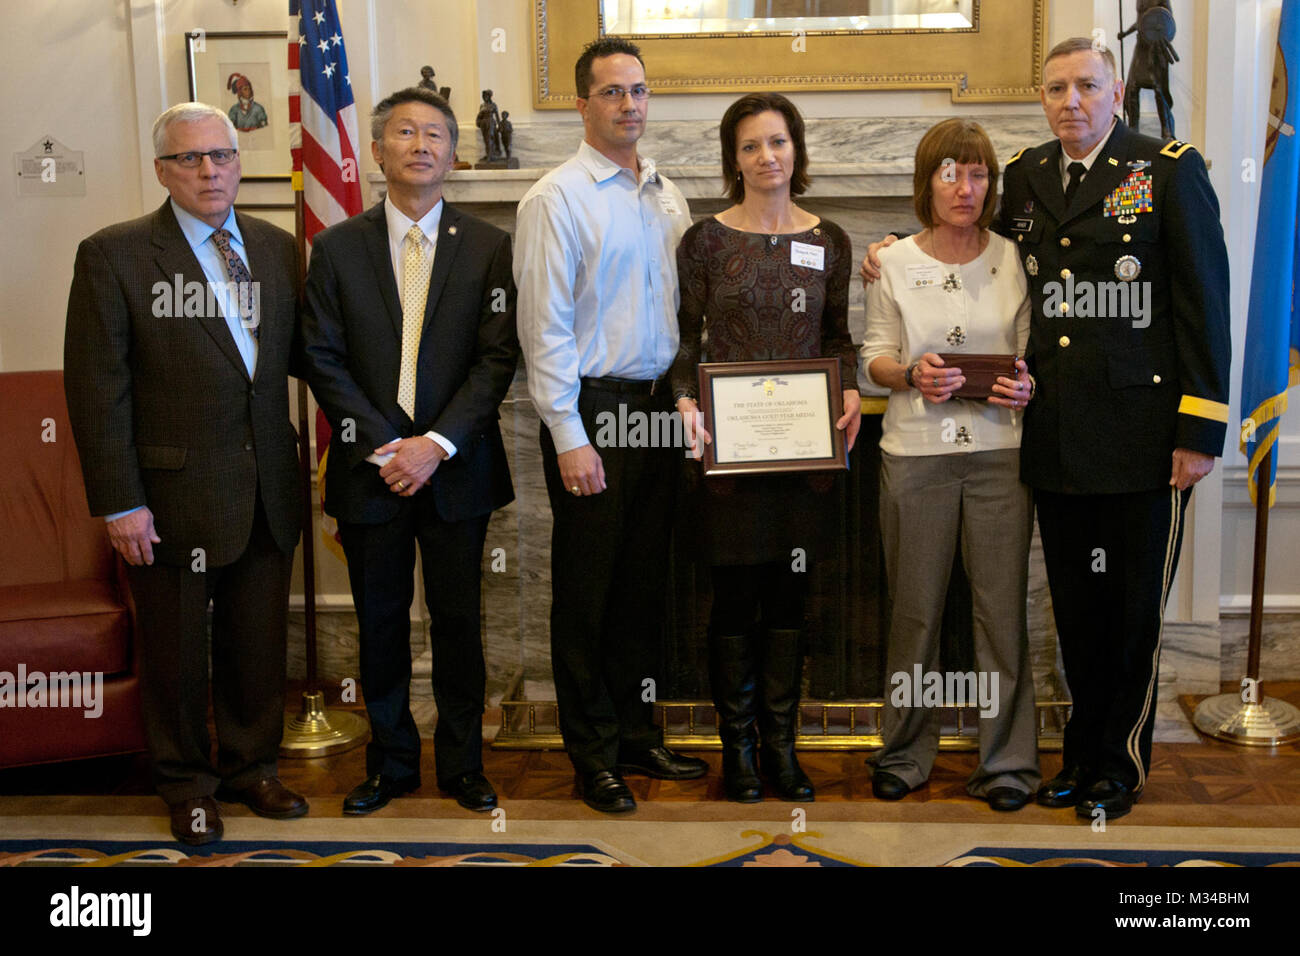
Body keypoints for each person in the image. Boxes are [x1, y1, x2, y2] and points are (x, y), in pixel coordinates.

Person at [861, 38, 1231, 820]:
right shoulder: (1027, 176)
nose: (1072, 101)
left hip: (1141, 441)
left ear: (1115, 91)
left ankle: (1117, 766)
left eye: (1087, 86)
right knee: (1078, 614)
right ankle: (1078, 757)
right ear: (1043, 98)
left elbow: (1205, 303)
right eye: (1057, 88)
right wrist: (889, 252)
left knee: (1129, 616)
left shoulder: (1165, 168)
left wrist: (1199, 429)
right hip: (1054, 442)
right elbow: (961, 242)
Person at [63, 102, 307, 845]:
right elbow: (97, 389)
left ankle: (251, 767)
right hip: (166, 496)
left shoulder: (274, 248)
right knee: (174, 652)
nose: (210, 171)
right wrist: (119, 504)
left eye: (222, 156)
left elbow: (295, 362)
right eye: (191, 159)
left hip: (266, 484)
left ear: (240, 162)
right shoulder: (116, 254)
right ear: (163, 170)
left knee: (257, 642)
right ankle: (185, 783)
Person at [301, 88, 518, 815]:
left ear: (453, 155)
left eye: (434, 135)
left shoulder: (490, 246)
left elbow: (496, 360)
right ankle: (390, 763)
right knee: (381, 626)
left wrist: (434, 444)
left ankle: (462, 764)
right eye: (404, 132)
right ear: (376, 150)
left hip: (458, 470)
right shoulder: (335, 248)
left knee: (460, 624)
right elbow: (320, 357)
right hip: (371, 472)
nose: (420, 144)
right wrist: (386, 446)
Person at [514, 37, 707, 814]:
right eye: (612, 92)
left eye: (639, 90)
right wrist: (569, 434)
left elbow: (687, 309)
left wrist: (688, 395)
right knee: (588, 593)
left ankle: (635, 731)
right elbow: (544, 327)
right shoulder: (554, 199)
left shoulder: (667, 193)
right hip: (595, 411)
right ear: (582, 104)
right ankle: (592, 755)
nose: (630, 104)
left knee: (640, 587)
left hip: (662, 406)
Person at [671, 92, 861, 802]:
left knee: (791, 601)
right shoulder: (705, 242)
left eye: (777, 142)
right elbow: (685, 341)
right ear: (733, 159)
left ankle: (782, 749)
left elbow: (838, 335)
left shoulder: (831, 241)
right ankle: (739, 753)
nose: (765, 156)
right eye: (750, 145)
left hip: (806, 459)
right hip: (729, 458)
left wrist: (846, 388)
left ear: (796, 151)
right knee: (733, 601)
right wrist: (685, 400)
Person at [860, 118, 1040, 811]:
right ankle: (904, 754)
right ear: (926, 182)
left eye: (978, 174)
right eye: (950, 173)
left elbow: (1033, 359)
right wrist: (909, 374)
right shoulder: (893, 262)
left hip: (1001, 458)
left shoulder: (1016, 259)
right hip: (915, 458)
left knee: (1002, 617)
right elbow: (872, 356)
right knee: (915, 615)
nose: (966, 188)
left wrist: (1027, 387)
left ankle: (1008, 765)